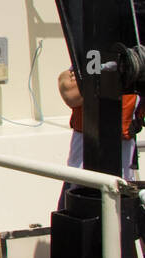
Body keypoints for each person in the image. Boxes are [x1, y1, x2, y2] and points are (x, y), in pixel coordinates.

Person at [57, 68, 139, 207]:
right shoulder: (92, 57)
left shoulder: (137, 66)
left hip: (123, 176)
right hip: (79, 176)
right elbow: (70, 92)